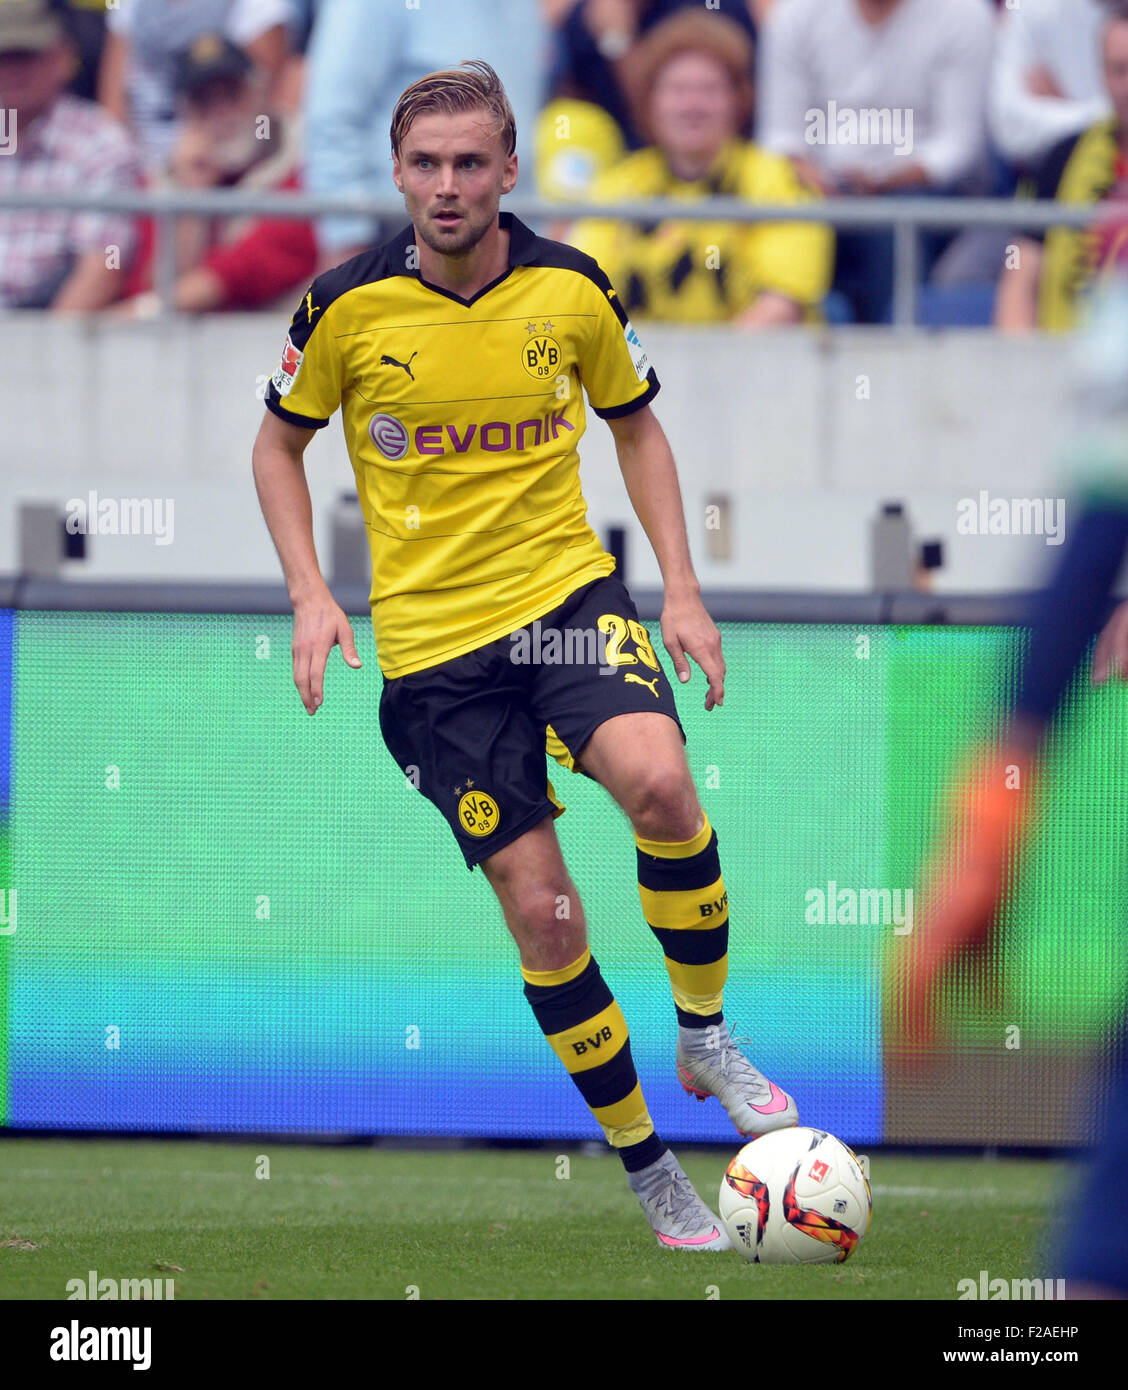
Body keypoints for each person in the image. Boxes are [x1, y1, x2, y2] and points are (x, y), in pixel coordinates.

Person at [253, 59, 798, 1251]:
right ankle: (653, 1169)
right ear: (398, 174)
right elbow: (275, 449)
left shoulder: (572, 290)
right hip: (438, 659)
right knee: (549, 917)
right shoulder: (343, 308)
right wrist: (308, 591)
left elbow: (638, 428)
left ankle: (704, 1031)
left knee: (661, 781)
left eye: (469, 163)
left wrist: (684, 593)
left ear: (508, 171)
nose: (447, 186)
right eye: (425, 164)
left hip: (563, 601)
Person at [567, 11, 832, 325]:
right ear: (651, 102)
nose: (692, 105)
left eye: (709, 90)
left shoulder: (782, 180)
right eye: (677, 90)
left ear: (738, 100)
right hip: (637, 370)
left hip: (760, 368)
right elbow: (583, 296)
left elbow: (783, 303)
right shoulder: (618, 184)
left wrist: (706, 368)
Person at [757, 0, 995, 323]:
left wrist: (886, 181)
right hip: (814, 191)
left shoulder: (964, 14)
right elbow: (779, 136)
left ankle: (895, 355)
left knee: (894, 227)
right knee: (786, 219)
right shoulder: (794, 15)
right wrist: (813, 178)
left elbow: (958, 144)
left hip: (924, 191)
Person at [303, 0, 548, 272]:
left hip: (504, 249)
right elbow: (333, 118)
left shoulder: (523, 7)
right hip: (399, 245)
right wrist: (348, 239)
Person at [118, 33, 315, 314]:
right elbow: (151, 287)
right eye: (204, 102)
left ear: (261, 94)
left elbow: (241, 272)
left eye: (233, 95)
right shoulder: (166, 180)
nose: (221, 112)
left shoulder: (303, 162)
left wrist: (136, 315)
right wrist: (192, 200)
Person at [0, 0, 143, 311]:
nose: (11, 71)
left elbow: (104, 267)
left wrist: (42, 352)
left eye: (25, 56)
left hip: (45, 334)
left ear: (62, 58)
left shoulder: (100, 143)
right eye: (2, 58)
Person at [996, 2, 1128, 333]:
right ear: (1101, 75)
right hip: (1069, 363)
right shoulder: (1063, 158)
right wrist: (1026, 366)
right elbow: (1018, 277)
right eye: (1120, 70)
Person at [989, 0, 1110, 174]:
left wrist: (1062, 106)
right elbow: (1009, 130)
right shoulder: (1028, 6)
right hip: (1052, 177)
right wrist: (1103, 116)